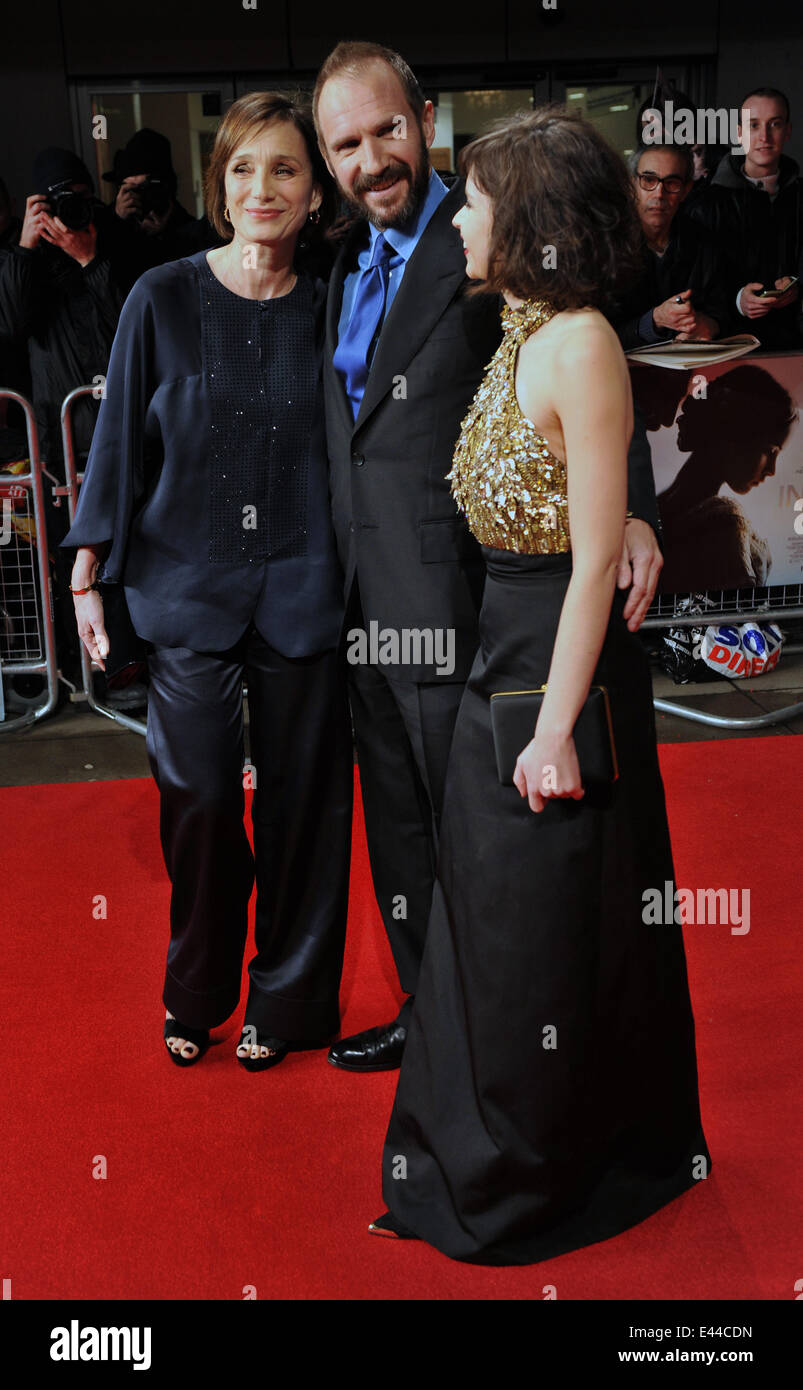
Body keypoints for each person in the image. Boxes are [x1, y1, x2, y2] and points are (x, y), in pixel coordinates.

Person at [371, 107, 711, 1265]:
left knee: (544, 932)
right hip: (498, 665)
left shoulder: (576, 344)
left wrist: (557, 728)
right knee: (495, 923)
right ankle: (491, 1141)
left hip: (556, 675)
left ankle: (549, 1156)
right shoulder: (515, 328)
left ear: (527, 218)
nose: (456, 216)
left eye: (472, 199)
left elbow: (585, 564)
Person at [313, 41, 664, 1074]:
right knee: (401, 829)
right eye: (345, 142)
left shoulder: (497, 246)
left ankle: (494, 1030)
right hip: (360, 604)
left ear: (423, 121)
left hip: (465, 604)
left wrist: (633, 514)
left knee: (479, 836)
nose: (370, 157)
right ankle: (432, 1019)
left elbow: (588, 383)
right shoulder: (336, 258)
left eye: (385, 130)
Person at [61, 92, 353, 1069]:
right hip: (185, 585)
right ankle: (196, 989)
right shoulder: (161, 297)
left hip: (305, 586)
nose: (258, 188)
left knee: (305, 806)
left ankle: (291, 1002)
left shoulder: (334, 306)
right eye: (239, 168)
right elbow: (116, 440)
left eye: (282, 169)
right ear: (218, 184)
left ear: (314, 192)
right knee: (197, 799)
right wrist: (87, 567)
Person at [657, 364, 798, 592]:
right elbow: (741, 615)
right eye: (771, 452)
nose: (772, 470)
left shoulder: (659, 506)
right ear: (737, 437)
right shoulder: (725, 519)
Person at [688, 88, 802, 349]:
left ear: (788, 131)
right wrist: (739, 300)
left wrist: (797, 287)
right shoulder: (706, 204)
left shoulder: (799, 197)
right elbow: (694, 287)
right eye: (753, 125)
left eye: (774, 124)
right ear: (739, 133)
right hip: (731, 348)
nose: (764, 136)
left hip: (796, 348)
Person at [615, 143, 731, 349]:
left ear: (686, 190)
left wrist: (707, 326)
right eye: (648, 180)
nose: (659, 193)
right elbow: (598, 331)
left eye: (672, 183)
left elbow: (722, 312)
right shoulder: (608, 246)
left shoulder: (705, 242)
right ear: (631, 184)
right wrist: (654, 321)